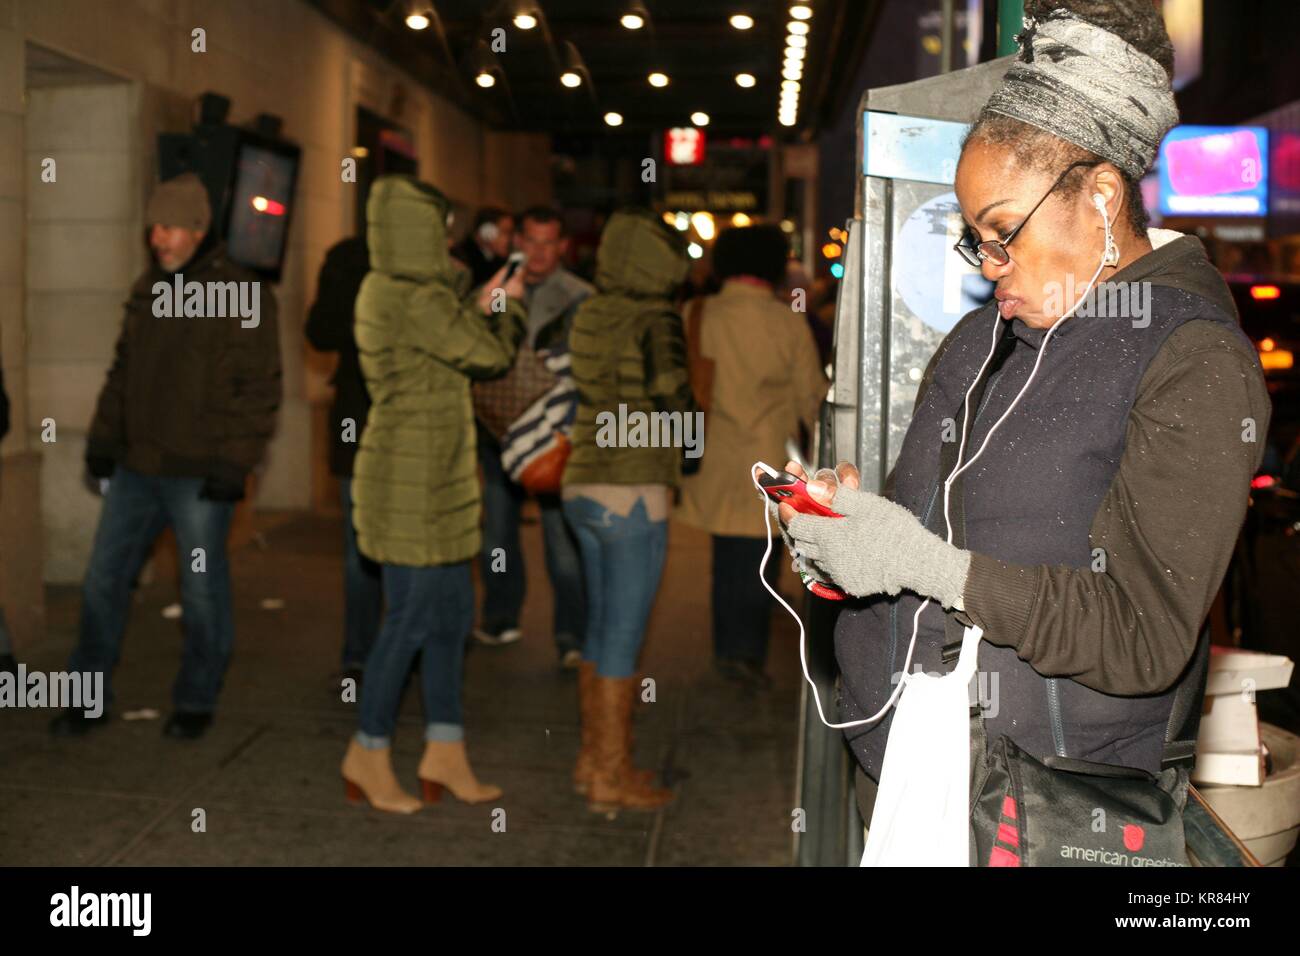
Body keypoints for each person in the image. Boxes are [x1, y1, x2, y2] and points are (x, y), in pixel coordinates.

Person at [777, 0, 1272, 850]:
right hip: (903, 762)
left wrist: (919, 560)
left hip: (1036, 804)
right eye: (976, 240)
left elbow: (1142, 633)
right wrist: (845, 533)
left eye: (1003, 231)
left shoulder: (1194, 359)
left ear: (1102, 198)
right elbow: (926, 525)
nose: (988, 265)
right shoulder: (984, 334)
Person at [52, 171, 282, 740]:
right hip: (137, 469)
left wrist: (235, 464)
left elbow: (259, 389)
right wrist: (104, 441)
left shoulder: (244, 294)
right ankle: (87, 694)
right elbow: (123, 371)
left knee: (201, 589)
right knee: (104, 580)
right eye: (154, 226)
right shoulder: (147, 288)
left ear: (200, 229)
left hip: (200, 475)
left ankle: (197, 698)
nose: (159, 237)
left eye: (172, 227)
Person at [340, 174, 526, 814]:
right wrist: (508, 305)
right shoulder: (408, 296)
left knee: (449, 620)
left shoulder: (407, 292)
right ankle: (367, 751)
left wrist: (479, 301)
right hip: (408, 482)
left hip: (437, 476)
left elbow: (449, 343)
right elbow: (487, 354)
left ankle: (443, 751)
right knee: (411, 619)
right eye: (438, 228)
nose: (447, 239)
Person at [562, 208, 697, 815]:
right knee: (622, 635)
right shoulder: (656, 317)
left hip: (583, 481)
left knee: (596, 629)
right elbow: (673, 398)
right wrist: (691, 449)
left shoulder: (591, 308)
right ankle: (610, 779)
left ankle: (591, 762)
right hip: (634, 486)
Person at [676, 224, 825, 690]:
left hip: (714, 458)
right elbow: (810, 399)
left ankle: (726, 650)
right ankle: (746, 655)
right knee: (762, 562)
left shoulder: (695, 313)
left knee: (726, 559)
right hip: (766, 464)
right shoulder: (786, 321)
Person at [473, 206, 593, 667]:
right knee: (497, 537)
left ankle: (570, 634)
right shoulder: (494, 288)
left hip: (556, 436)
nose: (539, 252)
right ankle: (501, 617)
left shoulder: (580, 296)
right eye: (531, 240)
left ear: (561, 246)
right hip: (498, 431)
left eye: (549, 242)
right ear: (516, 240)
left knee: (562, 544)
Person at [306, 233, 381, 685]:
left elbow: (320, 331)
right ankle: (371, 651)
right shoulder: (353, 261)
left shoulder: (348, 260)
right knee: (374, 550)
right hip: (373, 422)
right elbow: (320, 332)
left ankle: (363, 653)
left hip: (369, 423)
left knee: (363, 551)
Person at [452, 207, 514, 287]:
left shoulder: (497, 262)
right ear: (486, 232)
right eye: (505, 232)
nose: (510, 239)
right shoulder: (459, 258)